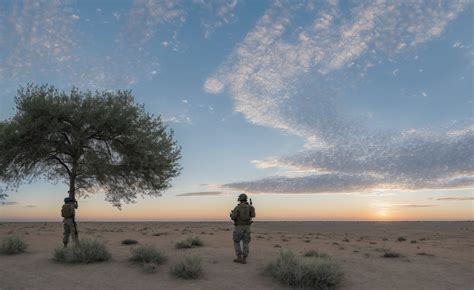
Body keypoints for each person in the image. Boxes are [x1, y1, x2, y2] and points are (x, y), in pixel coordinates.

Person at [230, 193, 256, 264]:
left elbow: (233, 217)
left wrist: (231, 214)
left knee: (236, 241)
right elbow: (253, 215)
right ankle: (244, 258)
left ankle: (239, 257)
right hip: (247, 227)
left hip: (239, 227)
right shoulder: (250, 207)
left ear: (240, 199)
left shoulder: (237, 207)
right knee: (246, 243)